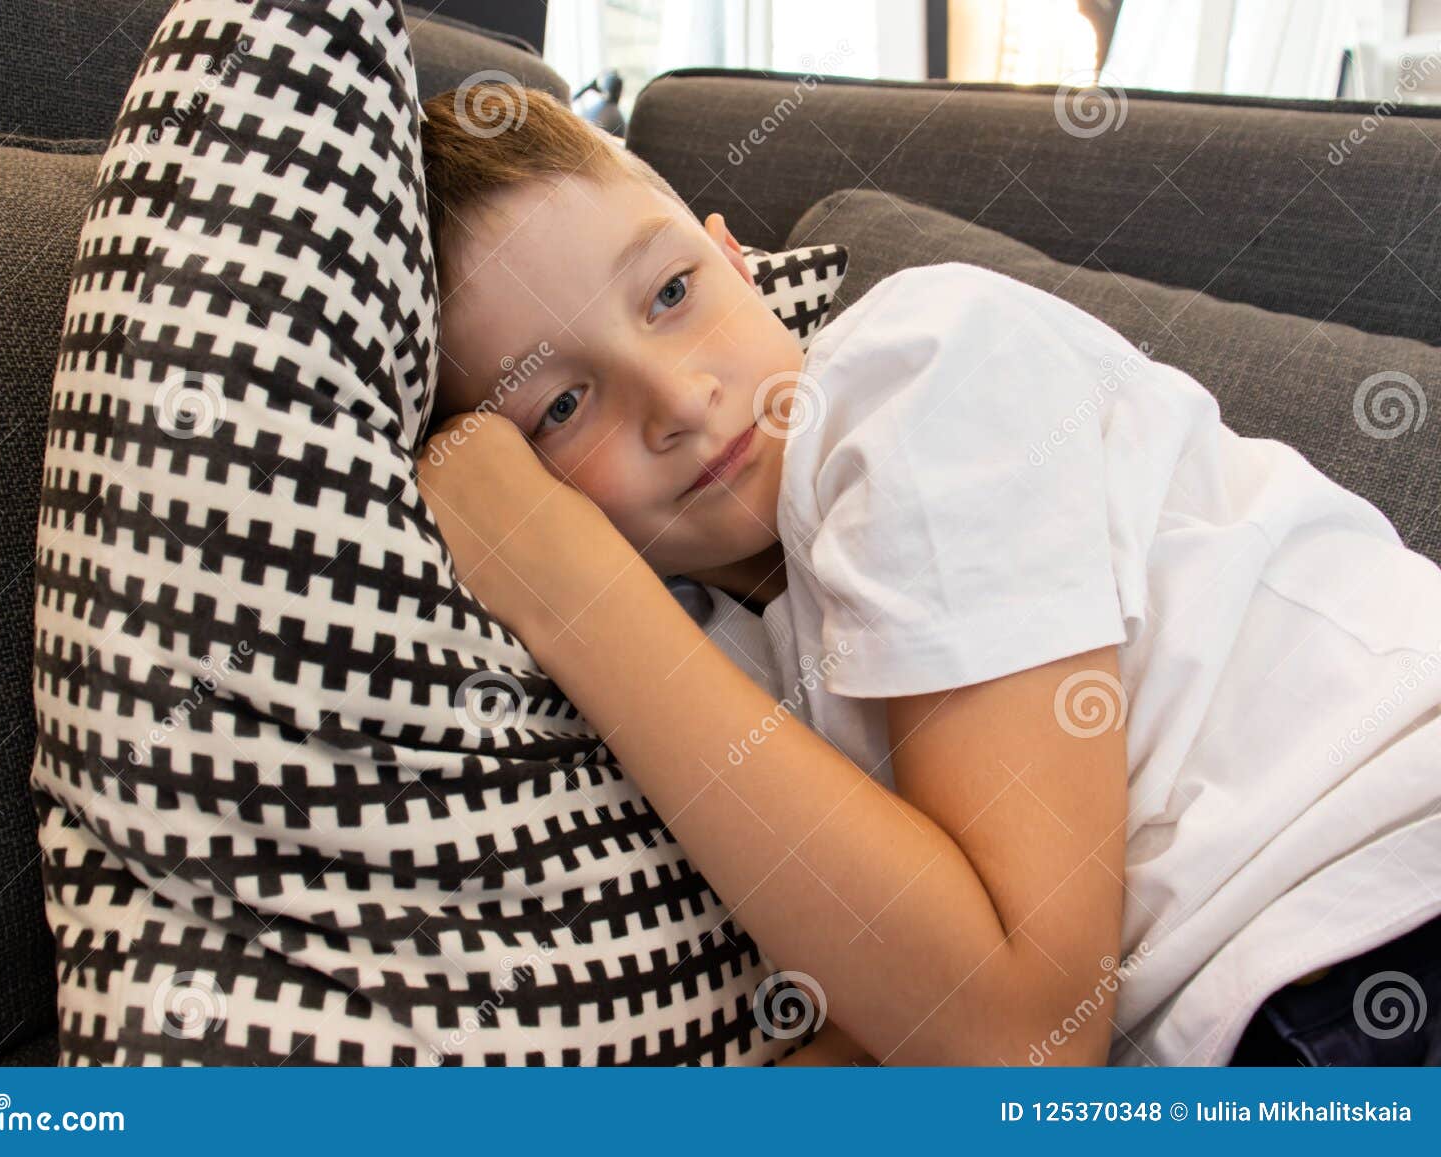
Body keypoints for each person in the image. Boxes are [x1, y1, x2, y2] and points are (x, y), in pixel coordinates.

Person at [413, 82, 1441, 1066]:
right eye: (559, 404)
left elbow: (1017, 1047)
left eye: (672, 291)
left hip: (1379, 906)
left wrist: (567, 584)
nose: (676, 398)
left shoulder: (915, 376)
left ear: (736, 258)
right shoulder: (710, 641)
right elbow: (909, 988)